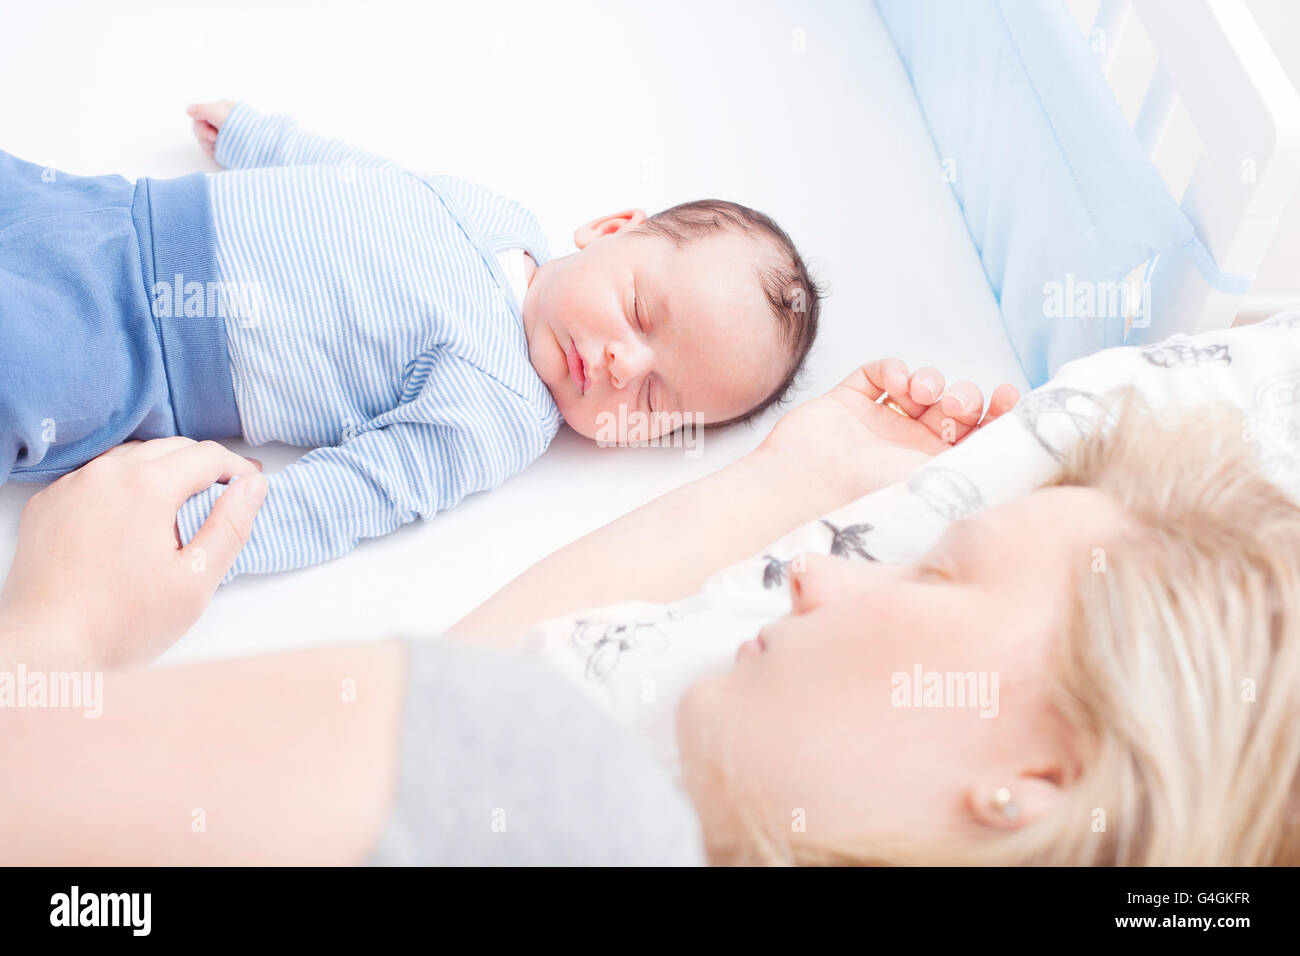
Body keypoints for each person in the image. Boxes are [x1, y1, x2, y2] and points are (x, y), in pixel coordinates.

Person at [3, 360, 1295, 865]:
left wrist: (61, 629)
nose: (822, 571)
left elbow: (498, 725)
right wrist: (793, 478)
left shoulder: (576, 801)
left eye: (937, 574)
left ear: (1044, 776)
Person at [0, 100, 820, 582]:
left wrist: (201, 533)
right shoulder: (504, 217)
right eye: (641, 312)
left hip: (130, 350)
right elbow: (371, 179)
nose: (620, 363)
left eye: (655, 398)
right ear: (612, 228)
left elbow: (358, 493)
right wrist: (264, 137)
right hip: (113, 212)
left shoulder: (499, 412)